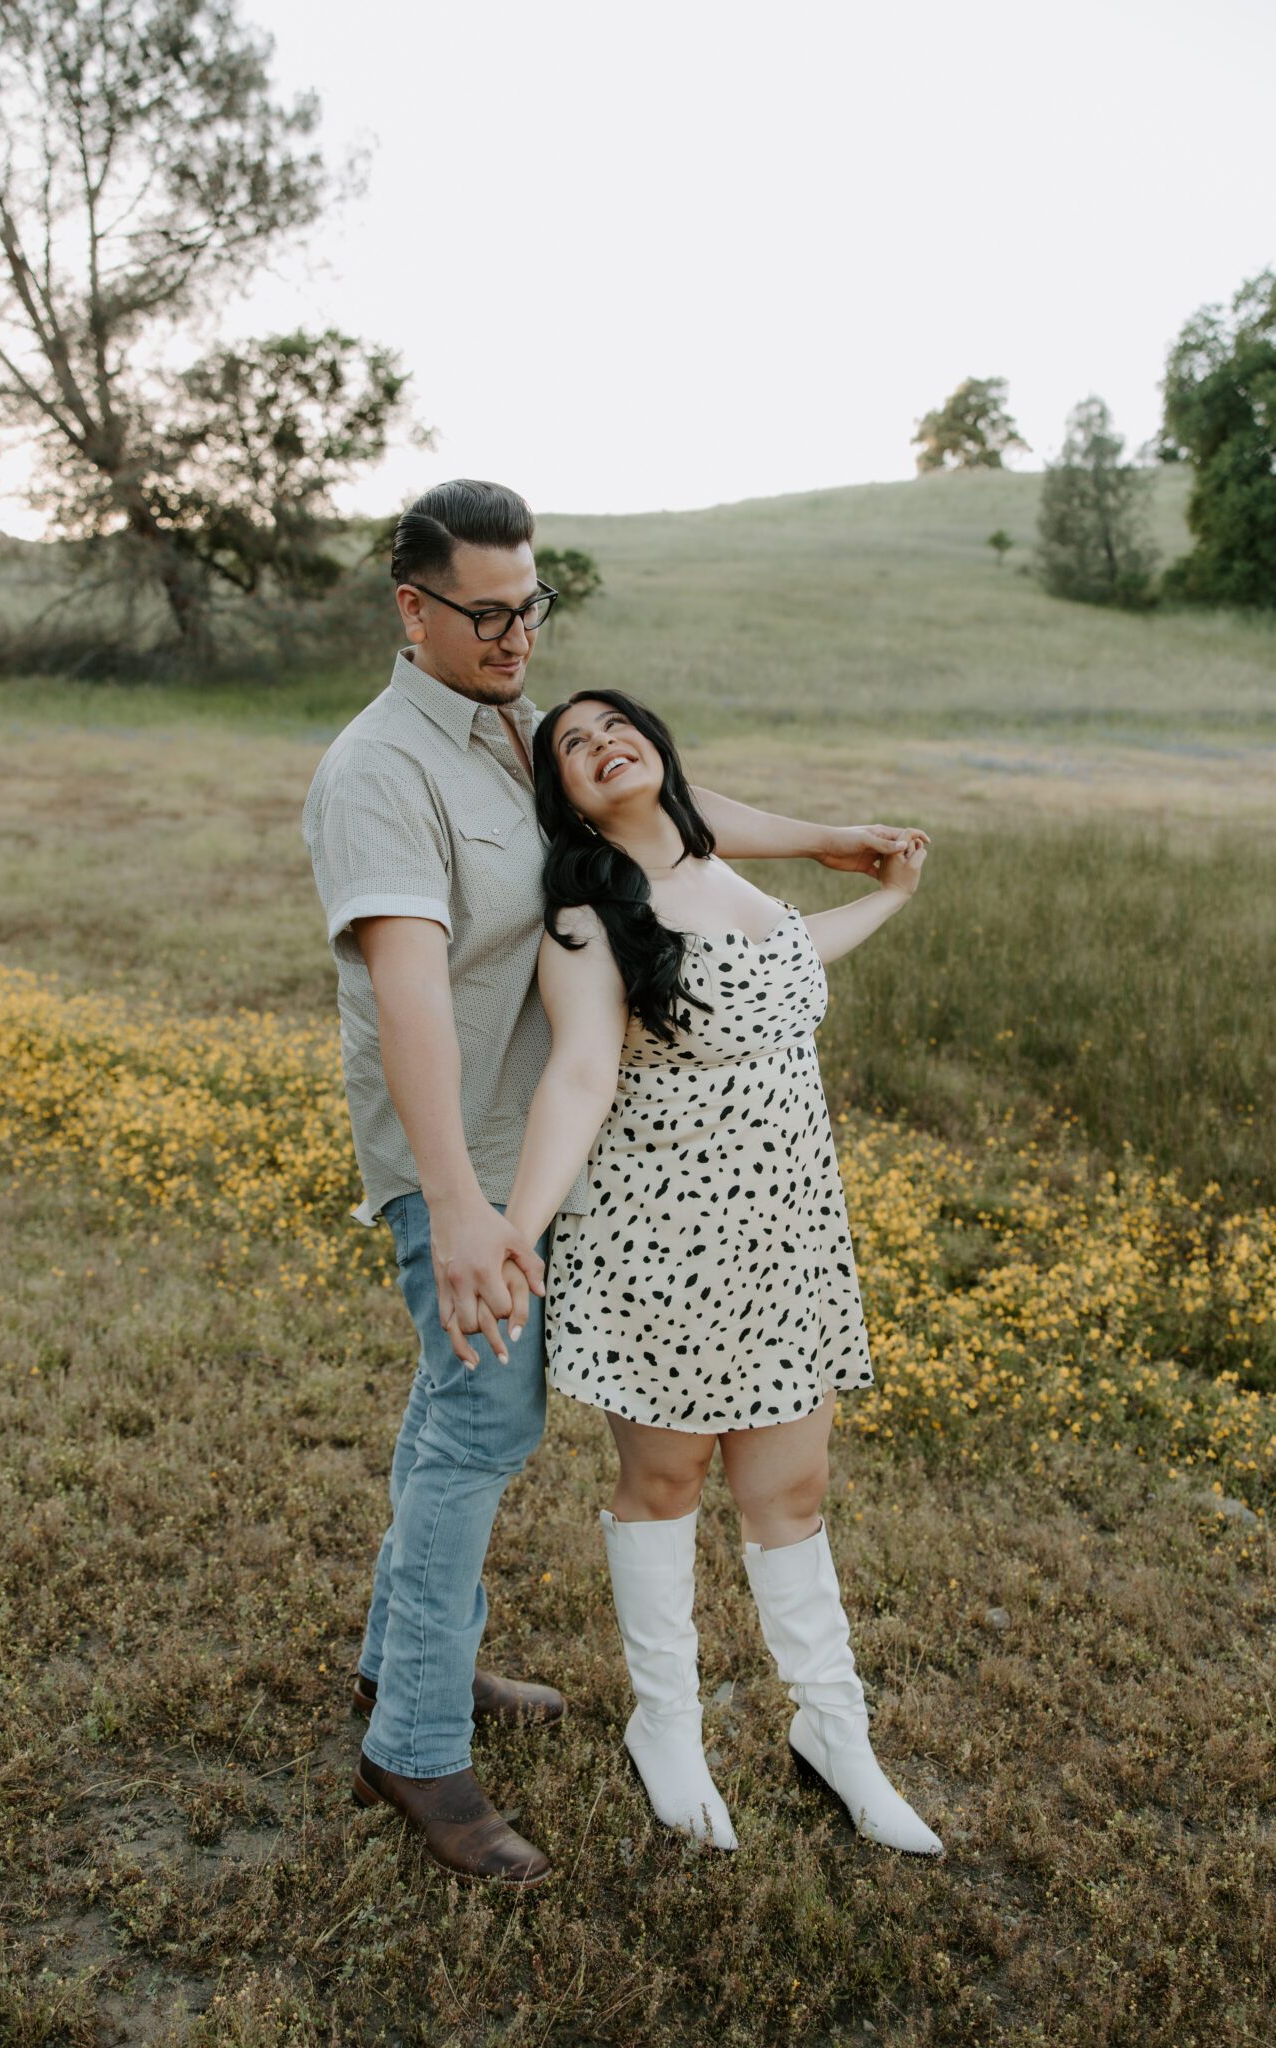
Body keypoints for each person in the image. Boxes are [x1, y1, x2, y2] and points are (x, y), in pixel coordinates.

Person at [302, 478, 930, 1886]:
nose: (517, 634)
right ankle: (412, 1741)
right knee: (479, 1427)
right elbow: (407, 996)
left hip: (556, 1145)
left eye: (531, 606)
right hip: (465, 1153)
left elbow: (665, 822)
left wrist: (820, 842)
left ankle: (410, 1658)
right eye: (487, 612)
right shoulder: (379, 771)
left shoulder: (503, 724)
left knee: (454, 1423)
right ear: (414, 611)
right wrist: (463, 1209)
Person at [501, 687, 942, 1856]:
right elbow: (580, 1078)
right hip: (663, 1243)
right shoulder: (591, 916)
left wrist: (884, 898)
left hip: (789, 1242)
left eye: (613, 724)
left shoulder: (730, 878)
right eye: (574, 746)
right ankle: (668, 1726)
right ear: (568, 800)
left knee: (792, 1496)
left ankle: (835, 1734)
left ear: (661, 745)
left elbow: (790, 961)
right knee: (666, 1489)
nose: (601, 745)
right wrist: (514, 1228)